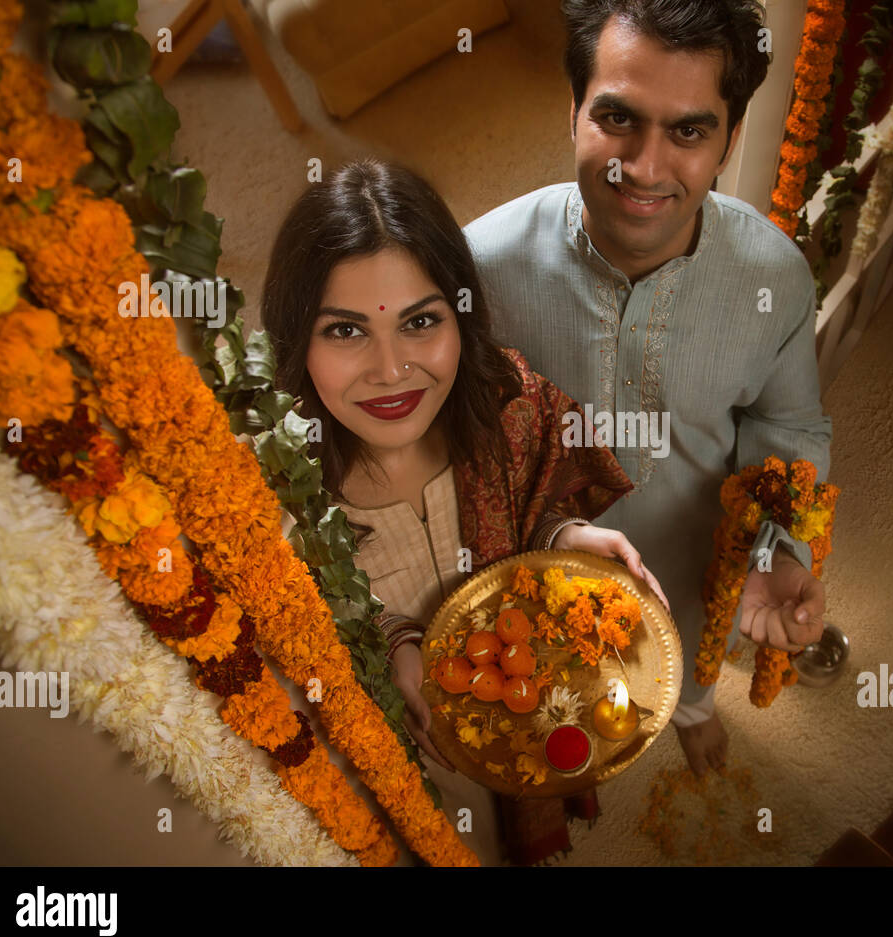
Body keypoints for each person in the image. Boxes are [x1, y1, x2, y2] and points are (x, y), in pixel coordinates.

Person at [261, 159, 667, 865]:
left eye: (420, 322)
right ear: (298, 338)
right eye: (346, 332)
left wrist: (565, 538)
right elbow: (307, 623)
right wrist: (395, 648)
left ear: (460, 313)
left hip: (520, 696)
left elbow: (536, 506)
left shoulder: (505, 404)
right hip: (413, 761)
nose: (390, 371)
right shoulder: (281, 490)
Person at [465, 0, 834, 776]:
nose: (643, 167)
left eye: (690, 131)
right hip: (539, 570)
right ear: (573, 113)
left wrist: (778, 545)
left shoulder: (774, 277)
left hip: (693, 565)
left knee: (692, 670)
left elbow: (790, 427)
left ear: (731, 139)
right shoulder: (479, 269)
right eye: (618, 118)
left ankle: (693, 711)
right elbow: (452, 440)